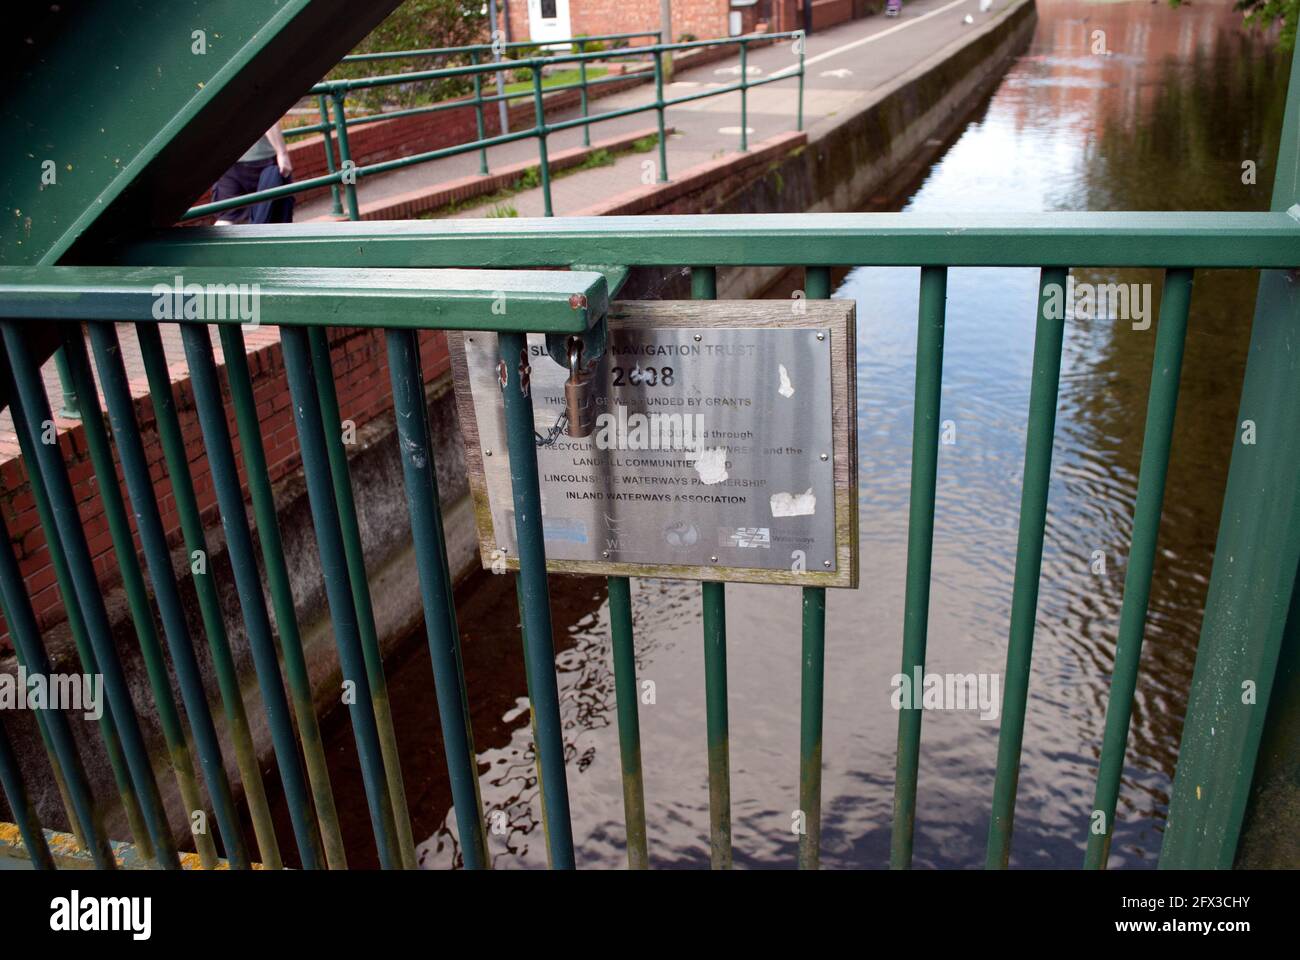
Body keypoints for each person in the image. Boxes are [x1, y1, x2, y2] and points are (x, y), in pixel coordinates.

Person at [211, 125, 295, 224]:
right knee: (276, 213)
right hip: (263, 159)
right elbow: (266, 117)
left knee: (227, 217)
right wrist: (282, 153)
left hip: (229, 162)